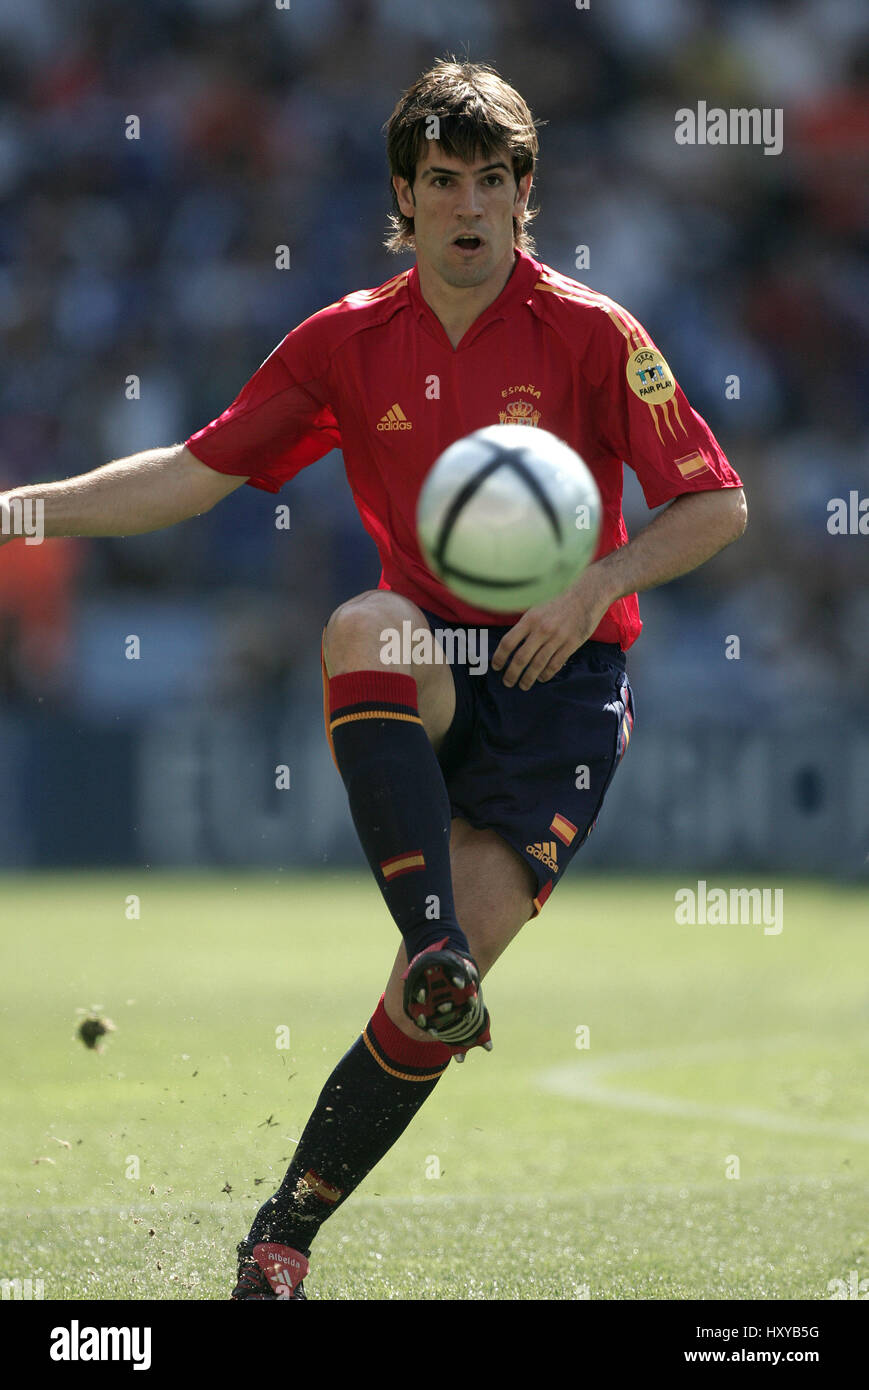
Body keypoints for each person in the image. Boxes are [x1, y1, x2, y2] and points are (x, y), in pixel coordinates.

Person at [0, 60, 746, 1301]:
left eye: (492, 181)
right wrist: (23, 511)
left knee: (420, 1006)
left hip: (563, 680)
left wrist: (585, 587)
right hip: (435, 655)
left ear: (523, 197)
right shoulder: (346, 341)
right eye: (441, 181)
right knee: (363, 622)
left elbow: (713, 502)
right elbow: (194, 473)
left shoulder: (593, 332)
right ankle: (434, 934)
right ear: (403, 197)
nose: (468, 205)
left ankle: (281, 1232)